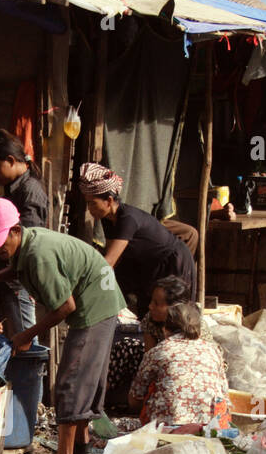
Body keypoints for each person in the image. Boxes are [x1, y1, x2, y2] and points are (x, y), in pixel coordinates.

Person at [0, 197, 124, 454]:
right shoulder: (28, 244)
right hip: (100, 298)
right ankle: (81, 446)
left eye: (0, 242)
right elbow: (18, 268)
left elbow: (66, 306)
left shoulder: (38, 254)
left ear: (16, 230)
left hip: (96, 304)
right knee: (84, 378)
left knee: (73, 379)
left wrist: (27, 334)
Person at [78, 162, 194, 318]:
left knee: (172, 315)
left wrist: (82, 282)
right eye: (88, 203)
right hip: (149, 266)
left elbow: (109, 262)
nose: (90, 209)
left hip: (172, 262)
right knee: (148, 315)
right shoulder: (107, 219)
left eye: (93, 203)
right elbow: (113, 259)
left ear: (110, 200)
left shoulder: (128, 218)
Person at [0, 130, 48, 335]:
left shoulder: (31, 190)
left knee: (25, 336)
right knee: (16, 335)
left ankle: (34, 368)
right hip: (11, 275)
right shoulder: (14, 188)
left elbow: (28, 233)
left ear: (11, 160)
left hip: (20, 277)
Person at [106, 274, 208, 413]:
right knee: (126, 346)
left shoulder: (197, 325)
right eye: (151, 301)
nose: (150, 306)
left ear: (174, 307)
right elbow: (149, 357)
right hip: (160, 363)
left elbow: (190, 361)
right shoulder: (150, 320)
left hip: (188, 370)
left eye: (157, 303)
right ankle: (100, 398)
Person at [128, 302, 230, 432]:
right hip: (212, 428)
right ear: (199, 330)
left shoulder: (159, 350)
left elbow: (135, 396)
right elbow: (224, 396)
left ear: (165, 329)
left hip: (168, 428)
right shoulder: (213, 350)